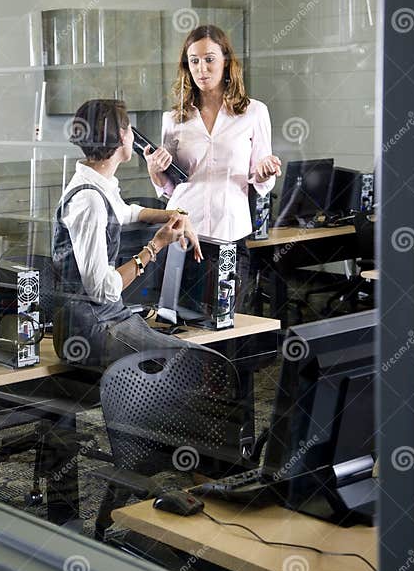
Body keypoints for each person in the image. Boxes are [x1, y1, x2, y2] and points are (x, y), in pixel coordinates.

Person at [52, 99, 203, 370]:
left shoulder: (97, 187)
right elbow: (103, 290)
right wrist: (154, 247)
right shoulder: (89, 200)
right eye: (130, 129)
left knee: (192, 357)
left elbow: (126, 212)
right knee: (195, 362)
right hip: (93, 329)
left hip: (108, 320)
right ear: (123, 137)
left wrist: (176, 214)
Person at [145, 24, 281, 308]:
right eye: (194, 61)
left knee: (227, 323)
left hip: (229, 235)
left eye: (209, 59)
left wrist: (264, 171)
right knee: (181, 323)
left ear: (226, 62)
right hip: (182, 234)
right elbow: (169, 187)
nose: (201, 68)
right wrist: (153, 169)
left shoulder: (254, 112)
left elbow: (261, 180)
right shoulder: (174, 118)